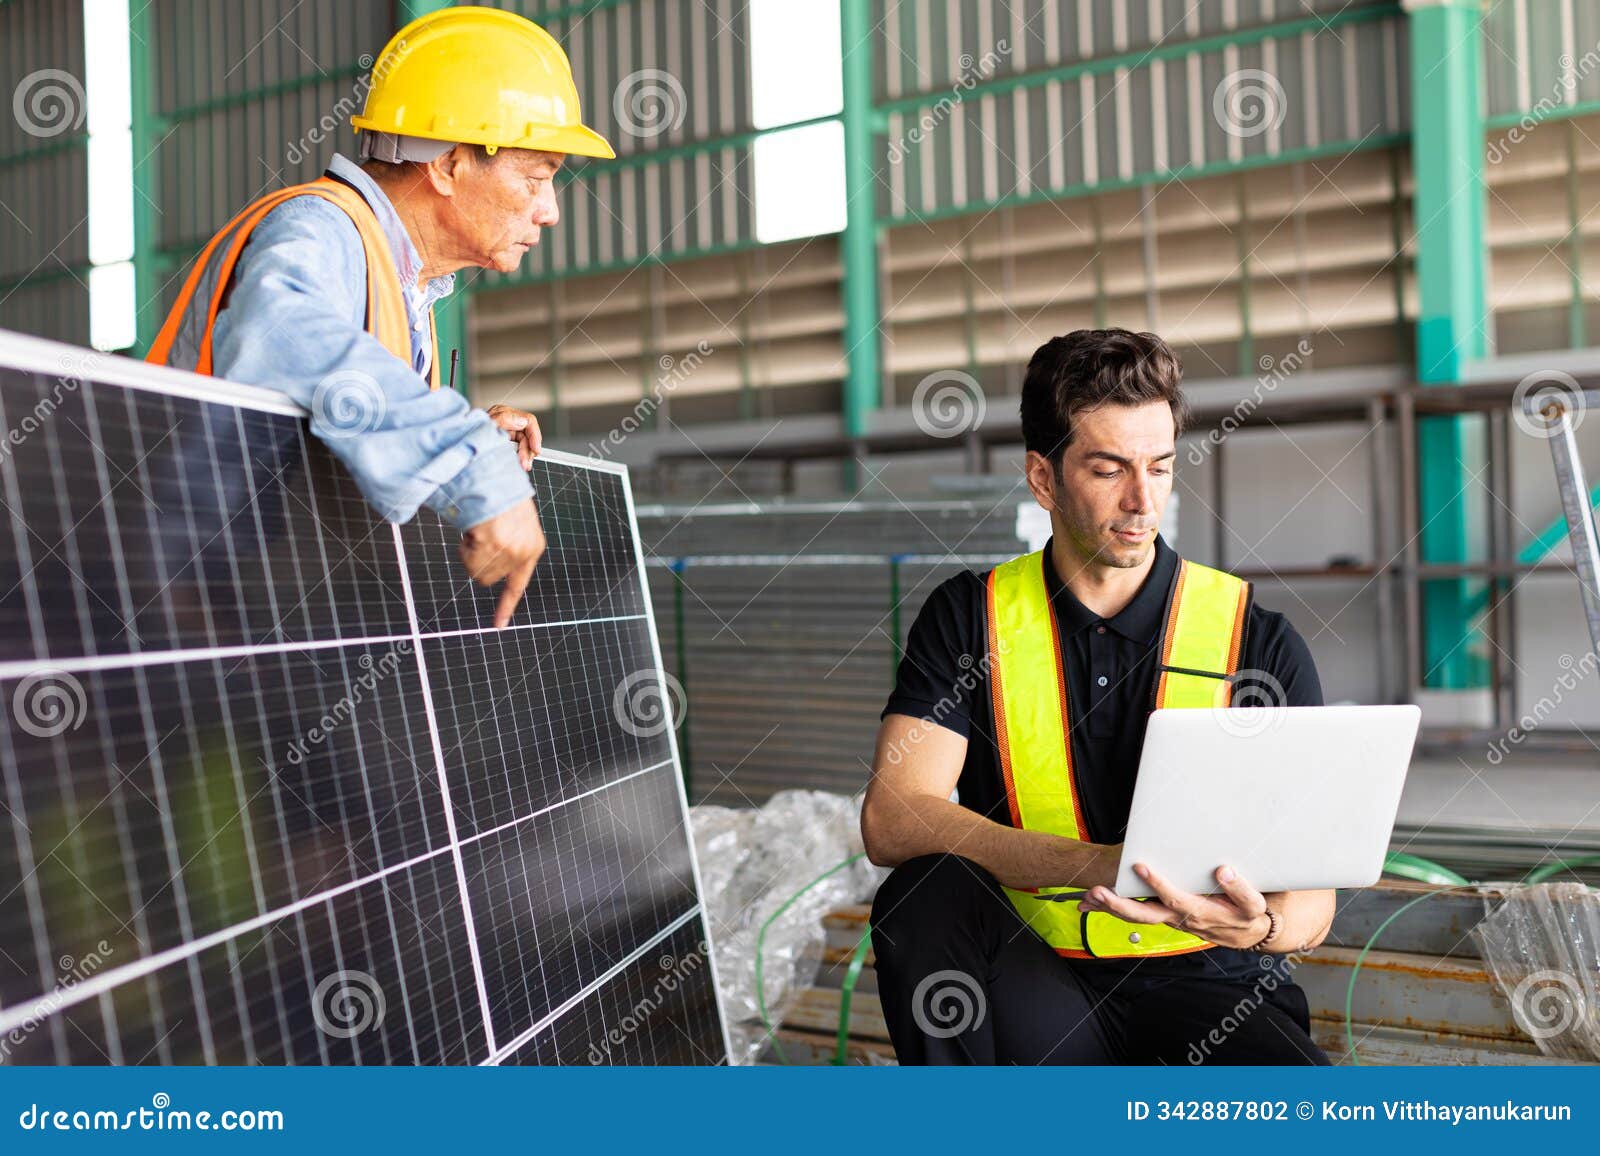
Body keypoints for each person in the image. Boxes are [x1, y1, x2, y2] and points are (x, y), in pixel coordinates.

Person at [861, 328, 1335, 1065]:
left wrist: (1261, 931)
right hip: (1040, 985)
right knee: (923, 893)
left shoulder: (1255, 639)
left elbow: (1310, 904)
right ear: (1044, 479)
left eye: (1160, 467)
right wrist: (1088, 865)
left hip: (1209, 984)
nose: (1142, 500)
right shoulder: (971, 617)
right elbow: (893, 818)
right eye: (1109, 469)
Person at [145, 7, 613, 627]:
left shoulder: (402, 284)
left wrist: (461, 431)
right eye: (535, 179)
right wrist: (466, 456)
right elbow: (276, 334)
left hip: (244, 609)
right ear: (448, 164)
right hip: (167, 600)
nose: (549, 212)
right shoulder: (321, 227)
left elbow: (329, 420)